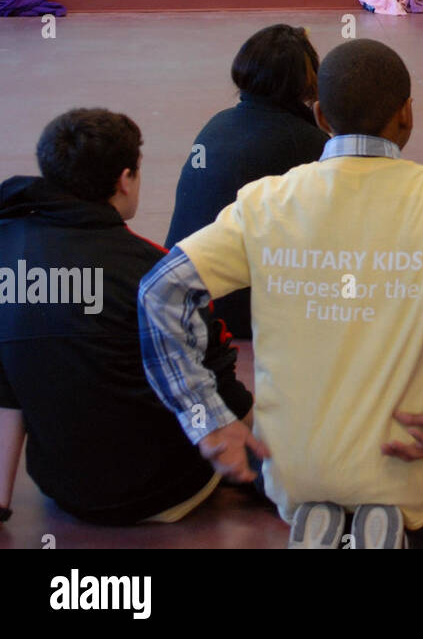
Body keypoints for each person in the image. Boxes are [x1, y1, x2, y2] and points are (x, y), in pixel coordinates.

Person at [138, 39, 423, 549]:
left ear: (322, 116)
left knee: (287, 474)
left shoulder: (265, 202)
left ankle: (322, 516)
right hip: (406, 463)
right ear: (406, 114)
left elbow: (161, 291)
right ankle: (389, 527)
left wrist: (206, 419)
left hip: (294, 468)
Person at [0, 109, 250, 528]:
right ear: (124, 180)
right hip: (167, 491)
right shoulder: (154, 272)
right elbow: (215, 375)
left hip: (64, 492)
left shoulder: (7, 250)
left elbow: (6, 384)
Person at [166, 24, 328, 338]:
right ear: (306, 81)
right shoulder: (307, 142)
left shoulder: (218, 123)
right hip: (237, 309)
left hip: (182, 293)